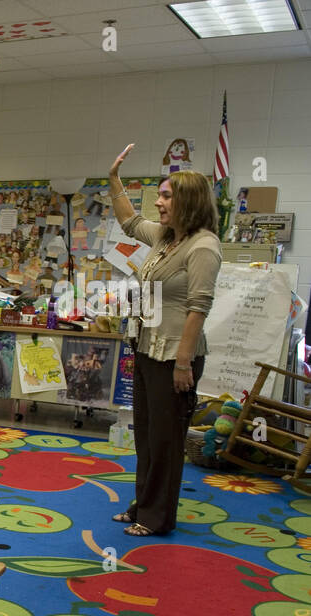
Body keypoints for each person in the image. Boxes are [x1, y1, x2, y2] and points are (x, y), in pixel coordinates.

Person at [108, 144, 222, 537]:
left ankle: (156, 519)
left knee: (166, 441)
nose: (158, 203)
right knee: (147, 437)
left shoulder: (203, 246)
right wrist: (114, 180)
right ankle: (143, 506)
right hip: (147, 348)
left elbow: (198, 307)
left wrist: (184, 364)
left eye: (166, 196)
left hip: (175, 356)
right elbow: (128, 221)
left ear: (188, 201)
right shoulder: (165, 237)